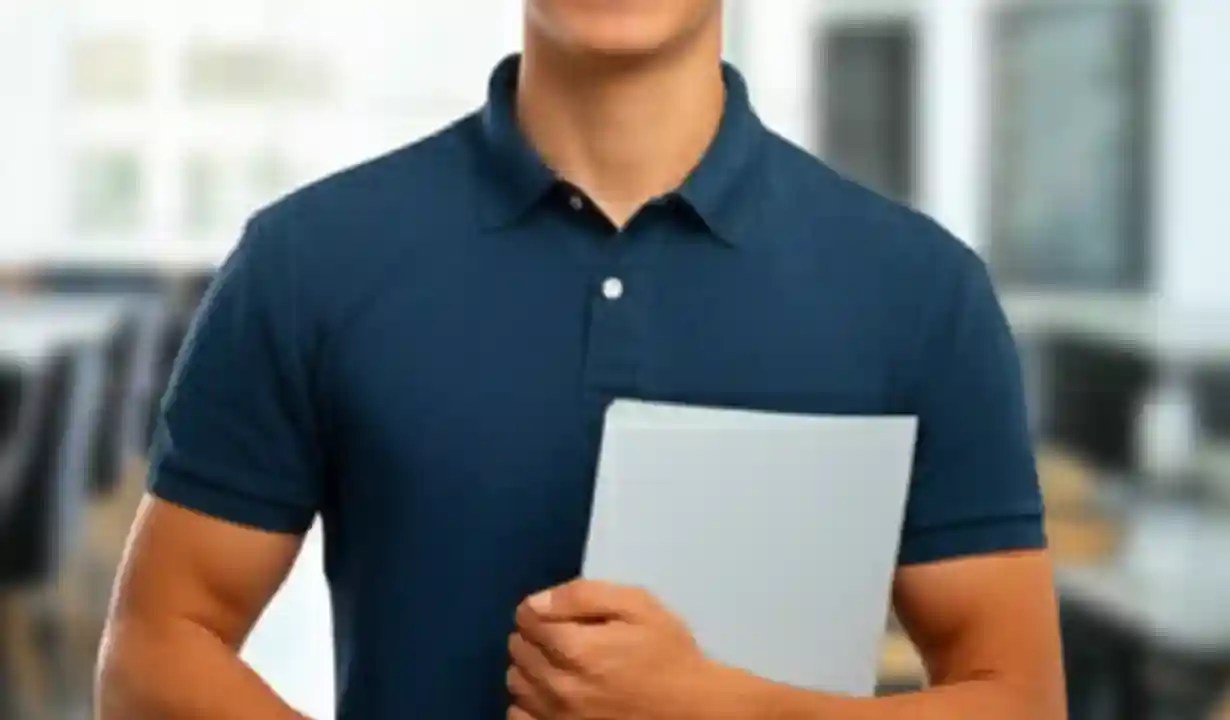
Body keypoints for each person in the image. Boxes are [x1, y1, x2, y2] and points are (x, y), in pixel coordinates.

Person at [95, 1, 1066, 718]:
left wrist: (722, 708)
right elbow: (152, 650)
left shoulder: (917, 289)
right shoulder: (308, 259)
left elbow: (1016, 696)